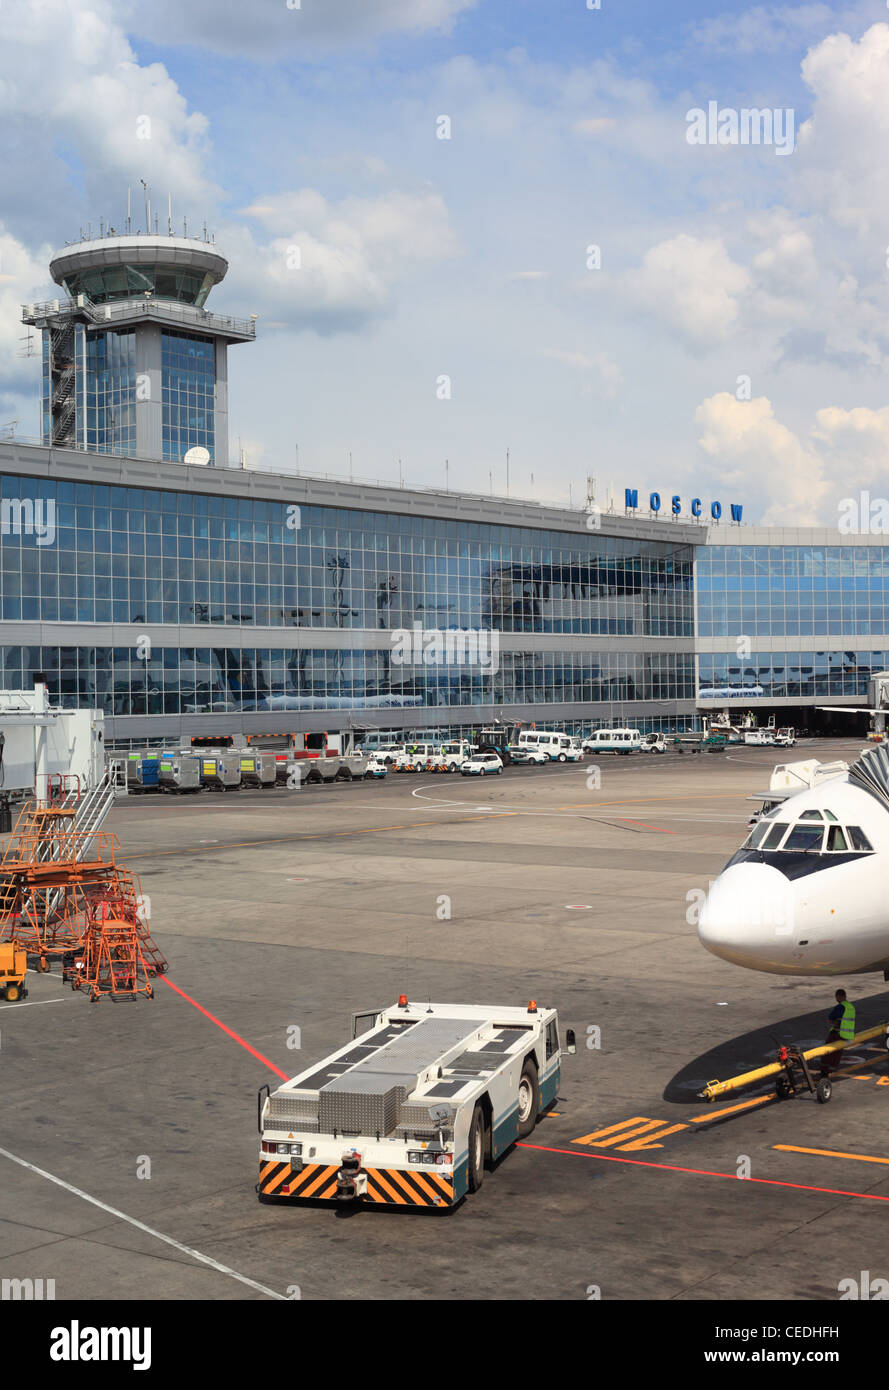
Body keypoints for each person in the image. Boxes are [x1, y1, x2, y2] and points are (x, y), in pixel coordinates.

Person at [820, 989, 856, 1075]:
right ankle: (833, 1068)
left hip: (838, 1033)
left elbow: (830, 1018)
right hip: (847, 1035)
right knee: (838, 1052)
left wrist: (834, 1022)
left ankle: (824, 1071)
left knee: (827, 1051)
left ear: (838, 997)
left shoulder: (840, 1006)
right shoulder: (851, 1007)